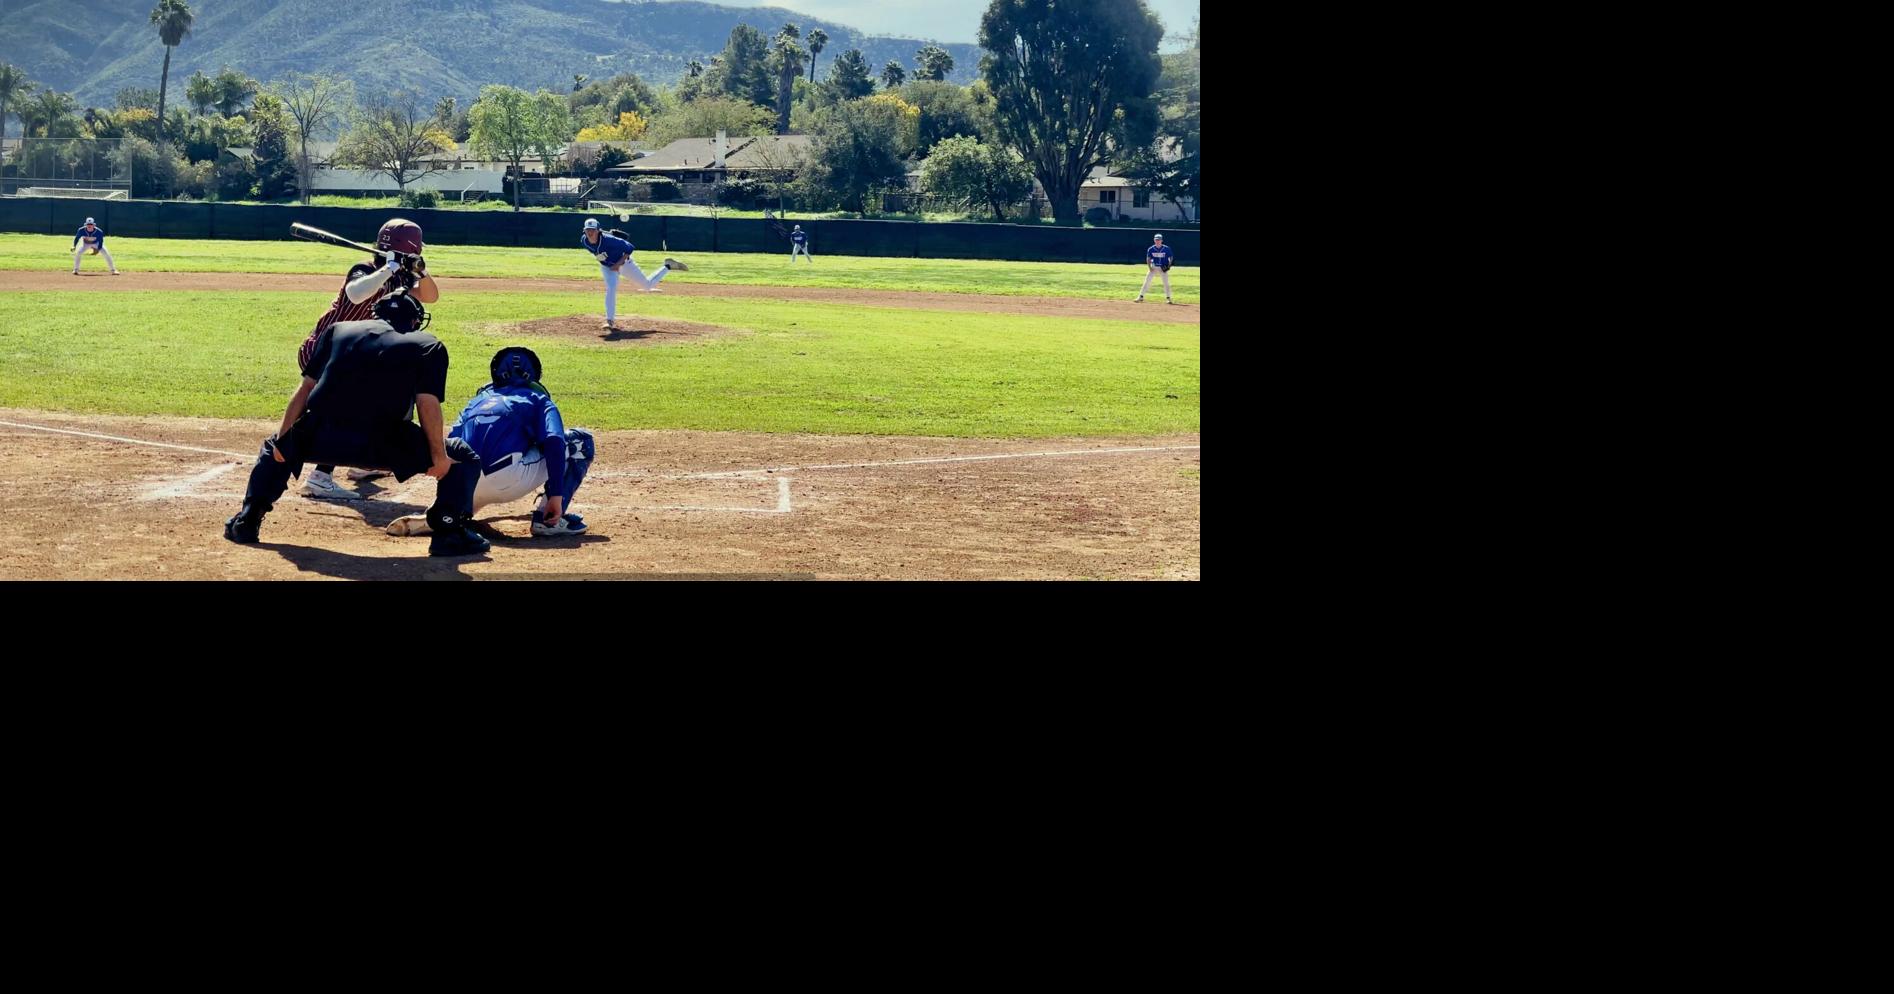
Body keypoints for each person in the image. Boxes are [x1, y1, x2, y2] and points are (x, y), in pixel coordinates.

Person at [221, 292, 490, 557]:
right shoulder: (427, 344)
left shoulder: (338, 330)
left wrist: (284, 441)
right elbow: (427, 405)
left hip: (321, 437)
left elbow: (304, 390)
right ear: (413, 321)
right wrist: (439, 457)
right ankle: (449, 533)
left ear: (375, 315)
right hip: (385, 444)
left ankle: (248, 520)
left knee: (272, 446)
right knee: (463, 457)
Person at [385, 347, 595, 540]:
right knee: (581, 441)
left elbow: (452, 446)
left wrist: (454, 490)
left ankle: (448, 512)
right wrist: (556, 495)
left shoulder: (475, 402)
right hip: (509, 479)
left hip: (467, 483)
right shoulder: (537, 398)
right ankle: (548, 521)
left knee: (470, 464)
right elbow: (554, 441)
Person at [297, 218, 440, 499]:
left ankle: (361, 462)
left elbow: (431, 296)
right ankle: (319, 475)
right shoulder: (364, 270)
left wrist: (420, 271)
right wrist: (389, 267)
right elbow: (356, 294)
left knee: (371, 402)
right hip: (324, 353)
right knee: (344, 409)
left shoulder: (401, 277)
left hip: (353, 358)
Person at [581, 218, 688, 332]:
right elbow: (598, 252)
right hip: (608, 267)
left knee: (647, 286)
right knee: (611, 288)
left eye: (593, 230)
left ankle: (668, 266)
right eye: (588, 230)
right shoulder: (584, 240)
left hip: (625, 264)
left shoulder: (610, 240)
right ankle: (609, 321)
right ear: (584, 231)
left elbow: (630, 247)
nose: (590, 232)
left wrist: (618, 263)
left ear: (598, 230)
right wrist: (609, 262)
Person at [1136, 233, 1174, 304]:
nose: (1157, 241)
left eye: (1159, 240)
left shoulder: (1166, 248)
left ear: (1162, 240)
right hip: (1154, 267)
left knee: (1166, 283)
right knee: (1147, 282)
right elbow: (1148, 258)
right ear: (1154, 240)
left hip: (1163, 268)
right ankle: (1141, 297)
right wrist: (1149, 267)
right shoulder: (1151, 249)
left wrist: (1169, 265)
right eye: (1156, 239)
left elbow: (1171, 257)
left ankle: (1168, 298)